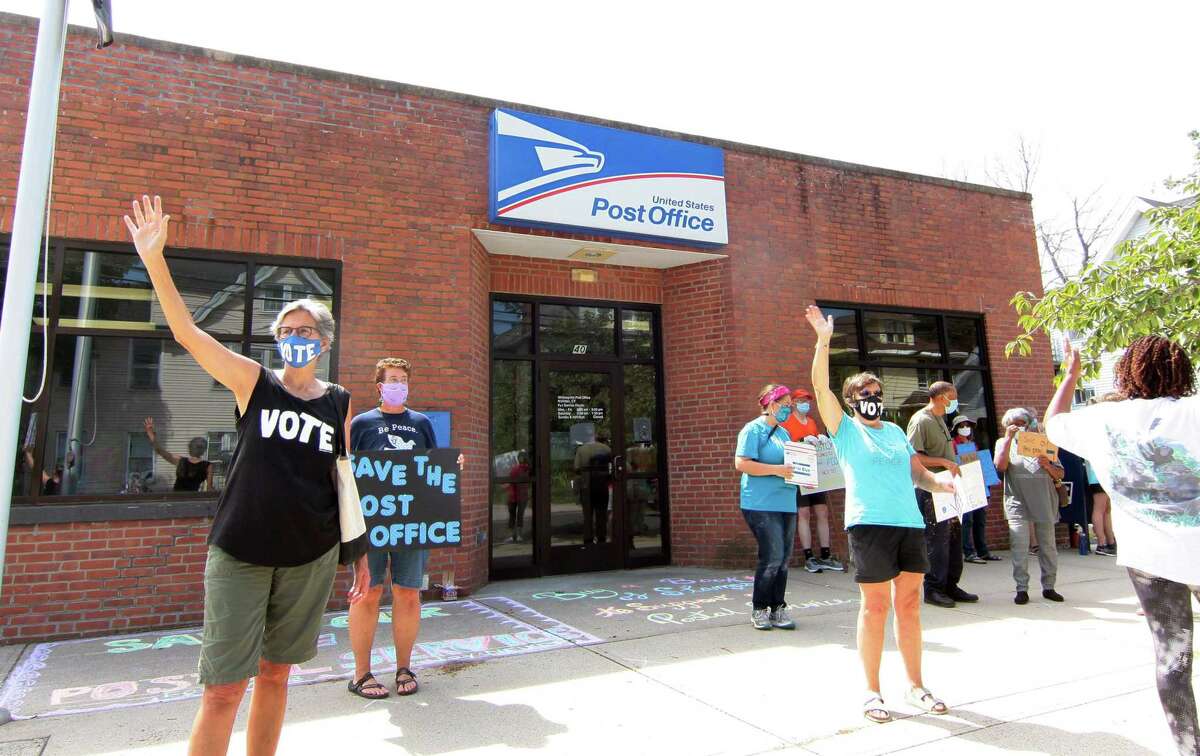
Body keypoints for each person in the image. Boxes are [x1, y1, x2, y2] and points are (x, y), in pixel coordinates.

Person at [124, 195, 369, 756]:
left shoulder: (338, 400)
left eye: (306, 329)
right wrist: (154, 259)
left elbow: (342, 481)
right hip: (242, 550)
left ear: (324, 341)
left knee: (277, 675)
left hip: (308, 556)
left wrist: (357, 553)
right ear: (277, 338)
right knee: (223, 689)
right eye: (287, 328)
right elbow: (187, 333)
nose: (296, 336)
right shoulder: (253, 382)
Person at [1045, 336, 1200, 755]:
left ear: (1126, 373)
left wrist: (1070, 375)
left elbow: (1053, 421)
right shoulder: (1193, 410)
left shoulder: (1103, 418)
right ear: (1182, 371)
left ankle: (1189, 748)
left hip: (1150, 558)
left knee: (1172, 656)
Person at [806, 305, 957, 723]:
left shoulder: (893, 431)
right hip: (869, 524)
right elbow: (819, 387)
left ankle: (916, 685)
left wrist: (940, 483)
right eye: (865, 395)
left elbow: (917, 473)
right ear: (852, 401)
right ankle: (872, 692)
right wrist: (822, 341)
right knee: (875, 608)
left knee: (909, 605)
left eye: (877, 394)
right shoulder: (845, 430)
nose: (872, 400)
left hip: (909, 524)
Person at [346, 357, 462, 700]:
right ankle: (361, 673)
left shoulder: (421, 423)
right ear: (380, 386)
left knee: (408, 592)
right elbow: (347, 470)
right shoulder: (362, 423)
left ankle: (404, 668)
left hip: (412, 522)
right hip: (371, 524)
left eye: (403, 380)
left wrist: (452, 466)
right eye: (392, 379)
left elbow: (432, 468)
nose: (399, 385)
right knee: (367, 592)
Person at [734, 384, 799, 631]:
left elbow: (793, 464)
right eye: (786, 405)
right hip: (760, 502)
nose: (789, 409)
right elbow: (742, 463)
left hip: (786, 501)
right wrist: (776, 470)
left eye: (791, 406)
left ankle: (778, 607)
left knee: (783, 558)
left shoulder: (785, 433)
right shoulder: (752, 430)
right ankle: (760, 608)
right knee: (772, 555)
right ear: (771, 405)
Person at [907, 383, 978, 608]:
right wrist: (943, 462)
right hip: (931, 489)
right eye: (952, 397)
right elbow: (914, 457)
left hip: (949, 487)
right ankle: (934, 588)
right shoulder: (921, 420)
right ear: (939, 397)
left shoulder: (940, 419)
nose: (954, 401)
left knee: (954, 538)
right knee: (937, 540)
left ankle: (950, 584)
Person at [994, 407, 1065, 605]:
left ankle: (1049, 586)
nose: (1018, 427)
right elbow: (1000, 466)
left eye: (1022, 423)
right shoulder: (1002, 442)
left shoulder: (1042, 442)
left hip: (1044, 499)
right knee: (1019, 545)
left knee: (1047, 546)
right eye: (1013, 424)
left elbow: (1060, 474)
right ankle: (1021, 589)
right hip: (1017, 501)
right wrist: (1008, 439)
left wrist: (1048, 465)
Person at [781, 387, 844, 573]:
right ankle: (808, 557)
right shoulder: (787, 423)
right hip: (799, 473)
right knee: (804, 513)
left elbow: (817, 444)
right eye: (801, 401)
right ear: (793, 403)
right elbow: (786, 447)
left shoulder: (811, 422)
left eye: (807, 401)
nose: (805, 404)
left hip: (815, 473)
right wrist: (802, 441)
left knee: (822, 511)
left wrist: (821, 440)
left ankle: (825, 554)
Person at [952, 415, 1000, 564]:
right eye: (962, 426)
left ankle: (983, 551)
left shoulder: (974, 444)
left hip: (978, 486)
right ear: (956, 429)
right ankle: (968, 552)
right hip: (964, 486)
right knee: (967, 520)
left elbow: (982, 464)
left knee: (980, 520)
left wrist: (991, 478)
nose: (965, 428)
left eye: (967, 425)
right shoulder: (953, 444)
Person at [1086, 392, 1125, 556]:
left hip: (1109, 472)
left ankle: (1110, 541)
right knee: (1100, 507)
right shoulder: (1094, 428)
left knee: (1107, 509)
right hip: (1098, 473)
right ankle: (1101, 543)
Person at [144, 417, 214, 491]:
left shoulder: (181, 461)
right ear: (204, 450)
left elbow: (160, 450)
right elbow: (209, 489)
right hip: (191, 497)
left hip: (178, 497)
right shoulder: (208, 466)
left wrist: (150, 434)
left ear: (190, 448)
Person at [574, 430, 613, 545]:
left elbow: (576, 468)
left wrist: (576, 488)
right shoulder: (607, 449)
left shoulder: (581, 450)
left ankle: (588, 538)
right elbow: (613, 468)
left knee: (587, 515)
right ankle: (601, 537)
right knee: (601, 514)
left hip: (586, 486)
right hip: (602, 486)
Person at [507, 451, 531, 543]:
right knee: (515, 516)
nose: (520, 459)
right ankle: (514, 536)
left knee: (517, 516)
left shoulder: (526, 469)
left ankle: (517, 536)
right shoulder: (517, 469)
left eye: (522, 457)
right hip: (515, 496)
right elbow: (511, 482)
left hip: (520, 496)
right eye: (519, 457)